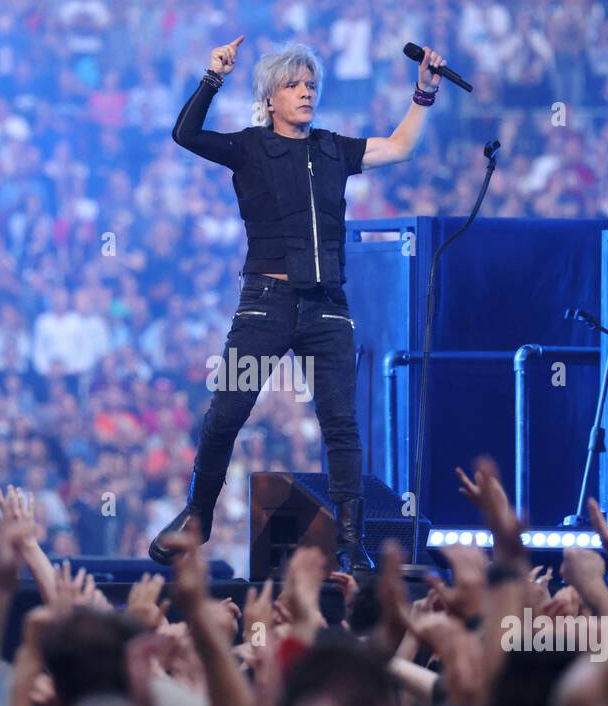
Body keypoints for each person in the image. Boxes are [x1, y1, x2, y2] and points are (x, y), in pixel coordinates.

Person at [148, 35, 447, 573]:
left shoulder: (332, 148)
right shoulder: (248, 146)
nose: (306, 92)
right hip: (264, 302)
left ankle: (352, 546)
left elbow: (400, 146)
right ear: (269, 99)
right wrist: (213, 76)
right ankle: (197, 517)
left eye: (311, 84)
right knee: (225, 414)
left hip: (328, 306)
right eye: (293, 85)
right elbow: (185, 133)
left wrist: (422, 93)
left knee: (341, 425)